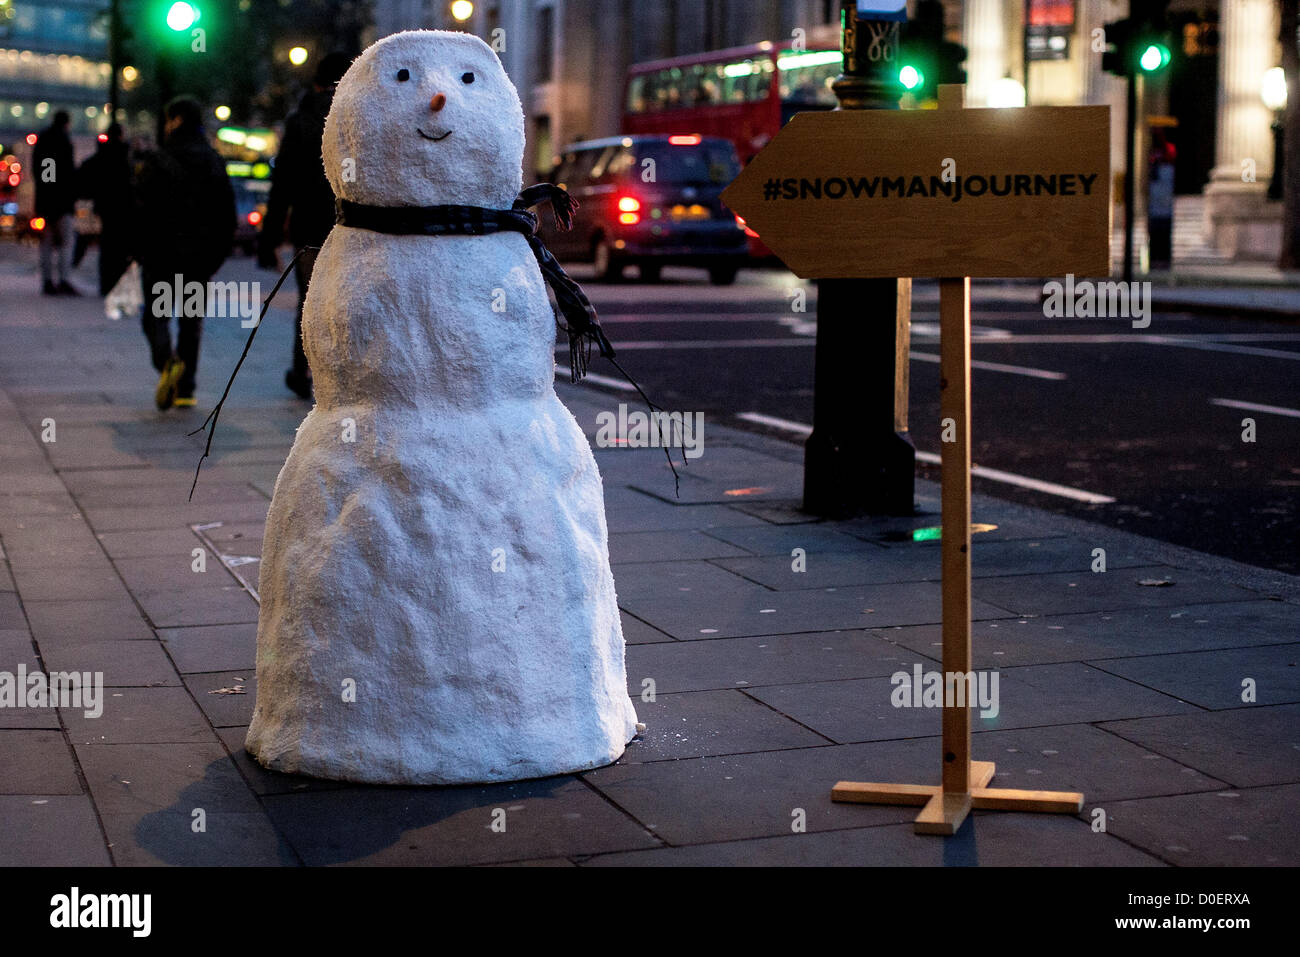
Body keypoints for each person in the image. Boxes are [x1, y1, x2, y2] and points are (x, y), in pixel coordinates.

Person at [258, 51, 352, 400]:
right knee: (346, 304)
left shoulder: (299, 121)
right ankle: (341, 374)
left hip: (308, 230)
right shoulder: (357, 117)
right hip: (353, 229)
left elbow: (281, 185)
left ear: (315, 82)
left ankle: (302, 372)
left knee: (310, 303)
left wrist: (268, 240)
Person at [132, 95, 235, 410]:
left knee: (156, 317)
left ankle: (167, 361)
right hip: (199, 258)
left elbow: (139, 211)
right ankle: (187, 388)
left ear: (175, 121)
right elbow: (226, 218)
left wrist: (138, 250)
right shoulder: (215, 162)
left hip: (160, 256)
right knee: (191, 321)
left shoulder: (157, 161)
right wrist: (214, 259)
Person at [77, 123, 133, 294]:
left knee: (108, 248)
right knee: (122, 249)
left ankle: (106, 284)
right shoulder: (125, 154)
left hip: (105, 206)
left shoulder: (102, 155)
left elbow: (84, 175)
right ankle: (118, 284)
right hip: (124, 206)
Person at [33, 110, 78, 296]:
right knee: (66, 242)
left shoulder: (44, 139)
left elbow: (42, 172)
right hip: (61, 201)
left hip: (45, 200)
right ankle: (64, 279)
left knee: (47, 243)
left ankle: (47, 281)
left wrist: (46, 190)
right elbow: (67, 173)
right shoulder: (63, 141)